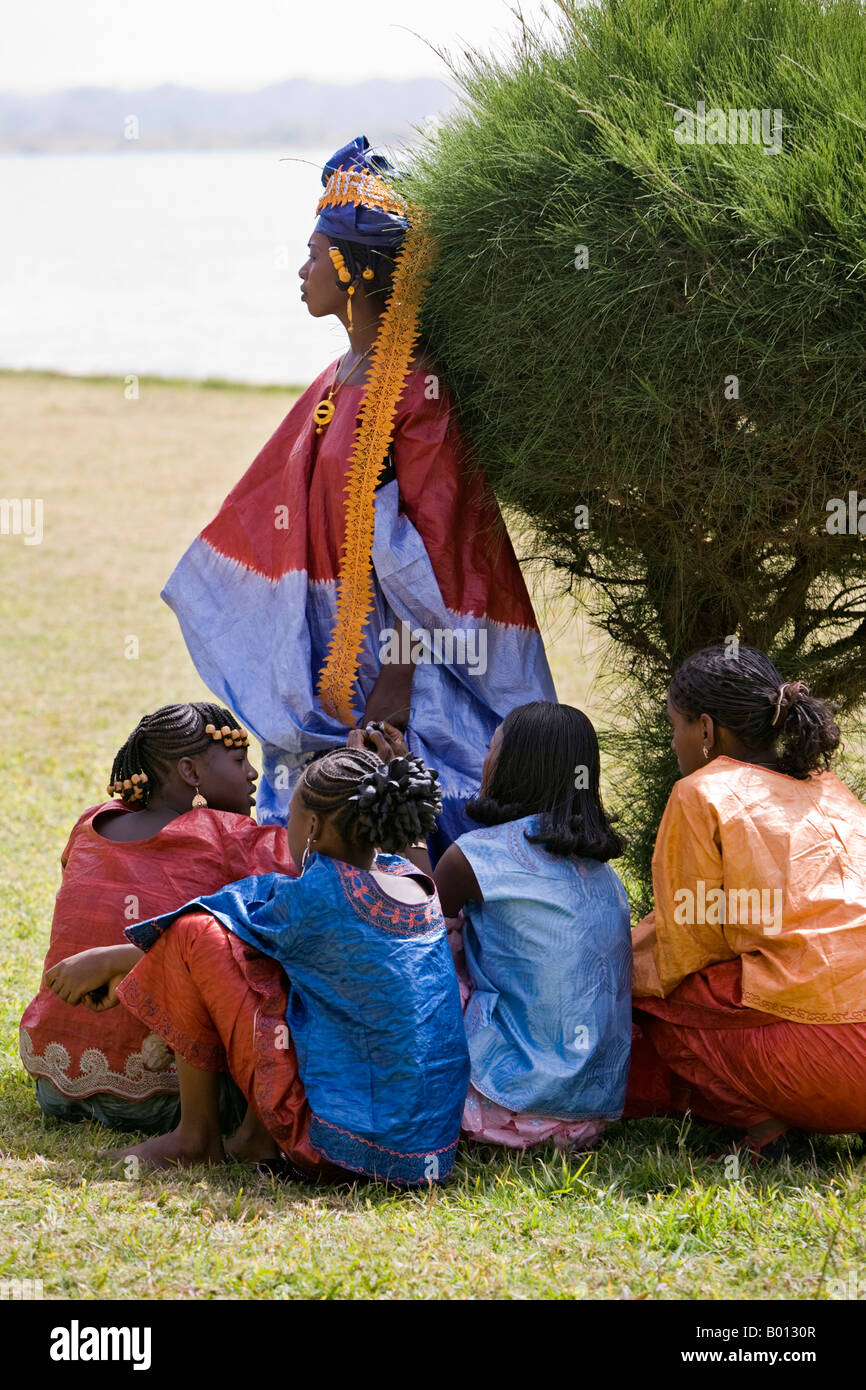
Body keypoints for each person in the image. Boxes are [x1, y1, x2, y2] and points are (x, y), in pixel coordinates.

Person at [160, 135, 555, 851]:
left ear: (348, 266)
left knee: (409, 812)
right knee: (319, 824)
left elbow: (429, 554)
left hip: (402, 660)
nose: (302, 270)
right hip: (329, 647)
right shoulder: (340, 375)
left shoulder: (413, 389)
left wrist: (396, 683)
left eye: (313, 253)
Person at [86, 734, 469, 1185]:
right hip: (427, 1151)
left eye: (291, 818)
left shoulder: (318, 894)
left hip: (337, 1150)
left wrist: (106, 960)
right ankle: (253, 1138)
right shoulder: (416, 885)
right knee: (280, 965)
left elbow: (214, 917)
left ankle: (194, 1139)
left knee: (194, 934)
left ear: (312, 829)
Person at [625, 644, 866, 1152]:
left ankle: (765, 1126)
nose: (674, 743)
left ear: (707, 731)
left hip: (830, 1063)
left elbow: (688, 946)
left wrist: (620, 959)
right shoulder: (831, 787)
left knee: (652, 994)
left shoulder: (702, 792)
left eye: (676, 727)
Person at [22, 703, 296, 1131]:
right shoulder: (226, 835)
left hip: (56, 1083)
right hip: (171, 1099)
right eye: (239, 760)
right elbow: (322, 881)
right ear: (190, 772)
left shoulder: (88, 825)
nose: (252, 774)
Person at [434, 702, 633, 1149]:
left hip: (502, 1106)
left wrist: (407, 819)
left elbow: (417, 932)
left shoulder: (475, 856)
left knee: (430, 946)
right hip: (589, 1116)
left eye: (490, 748)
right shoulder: (605, 876)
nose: (484, 760)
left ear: (512, 767)